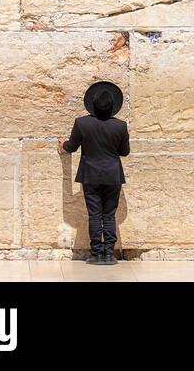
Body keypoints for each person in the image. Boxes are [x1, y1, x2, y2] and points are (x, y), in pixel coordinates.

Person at [58, 81, 130, 265]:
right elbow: (124, 152)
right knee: (109, 215)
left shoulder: (82, 123)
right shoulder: (120, 126)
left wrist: (62, 143)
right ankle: (109, 255)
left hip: (90, 175)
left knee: (95, 215)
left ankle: (97, 254)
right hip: (112, 175)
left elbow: (71, 147)